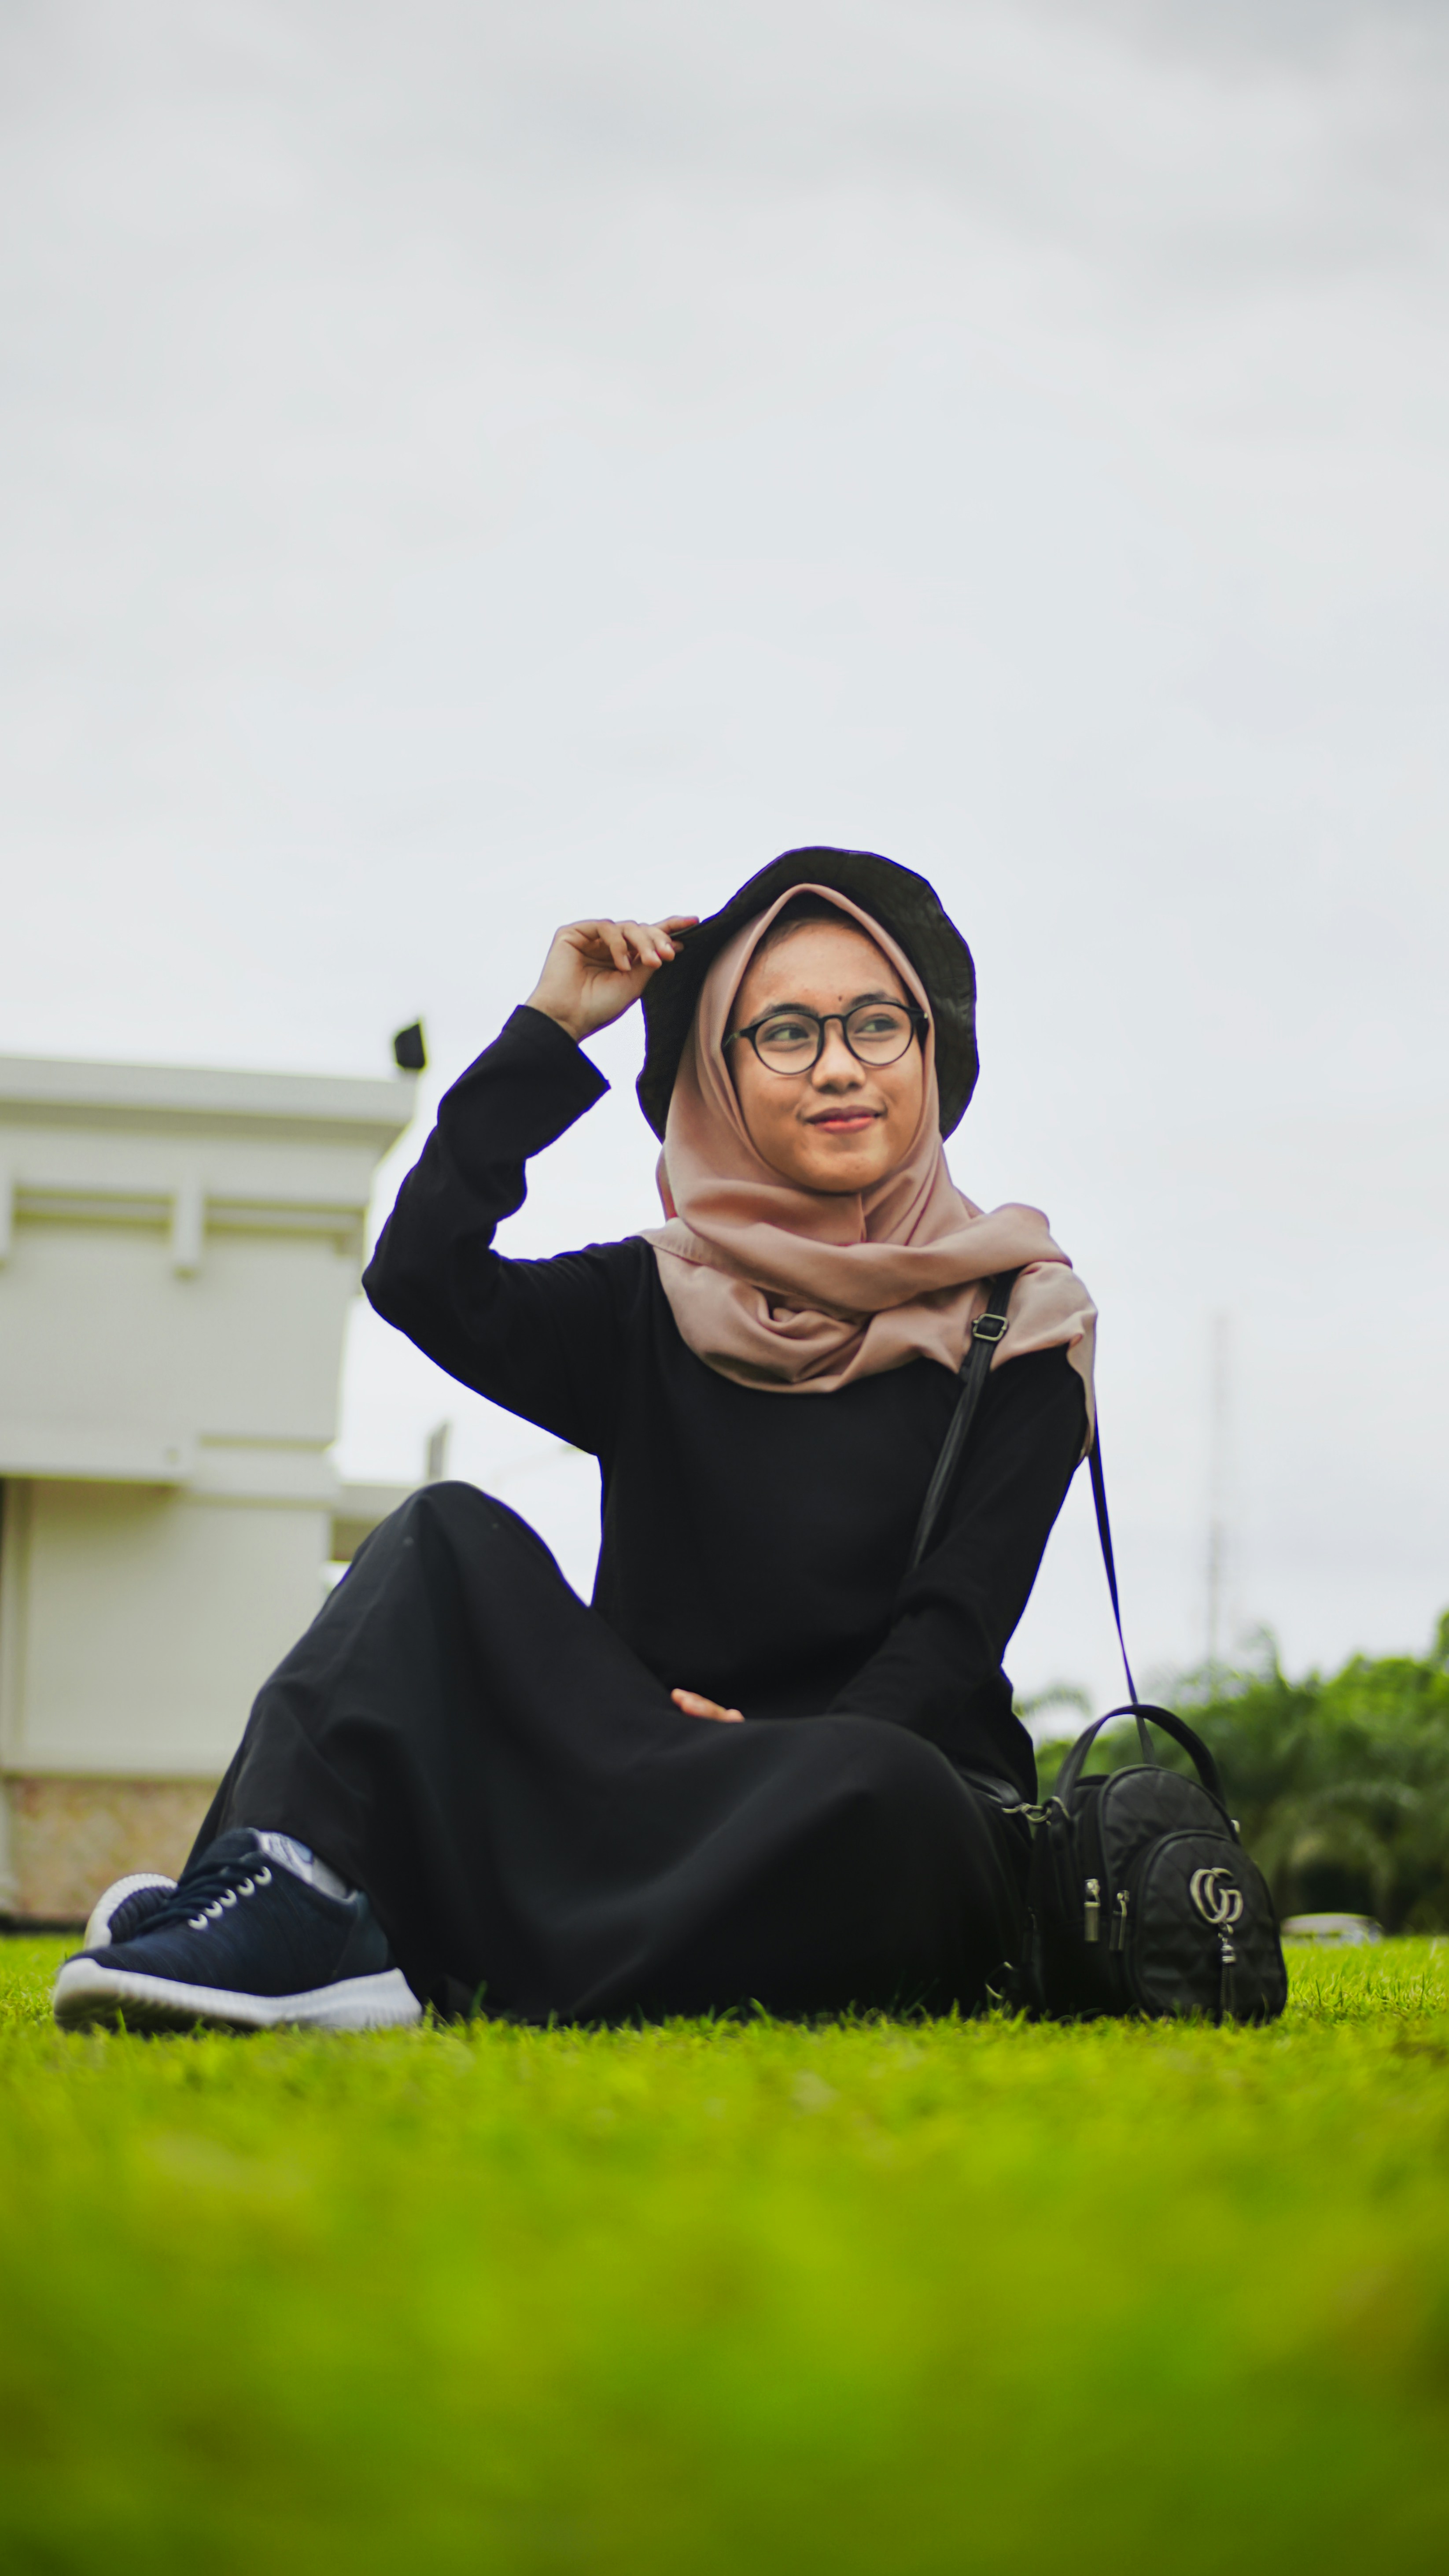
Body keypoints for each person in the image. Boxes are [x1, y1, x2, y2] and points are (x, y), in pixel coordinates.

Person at [53, 847, 1095, 2035]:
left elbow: (951, 1634)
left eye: (874, 1023)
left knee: (886, 1791)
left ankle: (427, 1941)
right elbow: (422, 1277)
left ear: (929, 1047)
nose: (840, 1066)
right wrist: (550, 1032)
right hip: (644, 1785)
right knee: (440, 1532)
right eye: (787, 1033)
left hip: (865, 1804)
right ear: (717, 1068)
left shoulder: (1021, 1323)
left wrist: (786, 1747)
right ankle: (286, 1894)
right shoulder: (653, 1300)